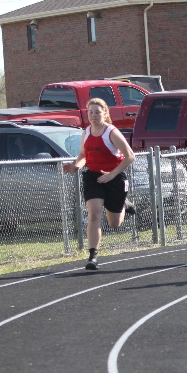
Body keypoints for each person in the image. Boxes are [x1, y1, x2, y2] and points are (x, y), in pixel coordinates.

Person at [63, 98, 136, 270]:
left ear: (104, 113)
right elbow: (83, 155)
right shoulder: (86, 132)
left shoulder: (111, 132)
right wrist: (75, 167)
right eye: (91, 112)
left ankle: (124, 203)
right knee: (94, 213)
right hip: (93, 177)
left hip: (114, 177)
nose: (94, 115)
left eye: (97, 112)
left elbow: (130, 156)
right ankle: (92, 255)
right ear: (87, 114)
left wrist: (111, 175)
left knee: (114, 223)